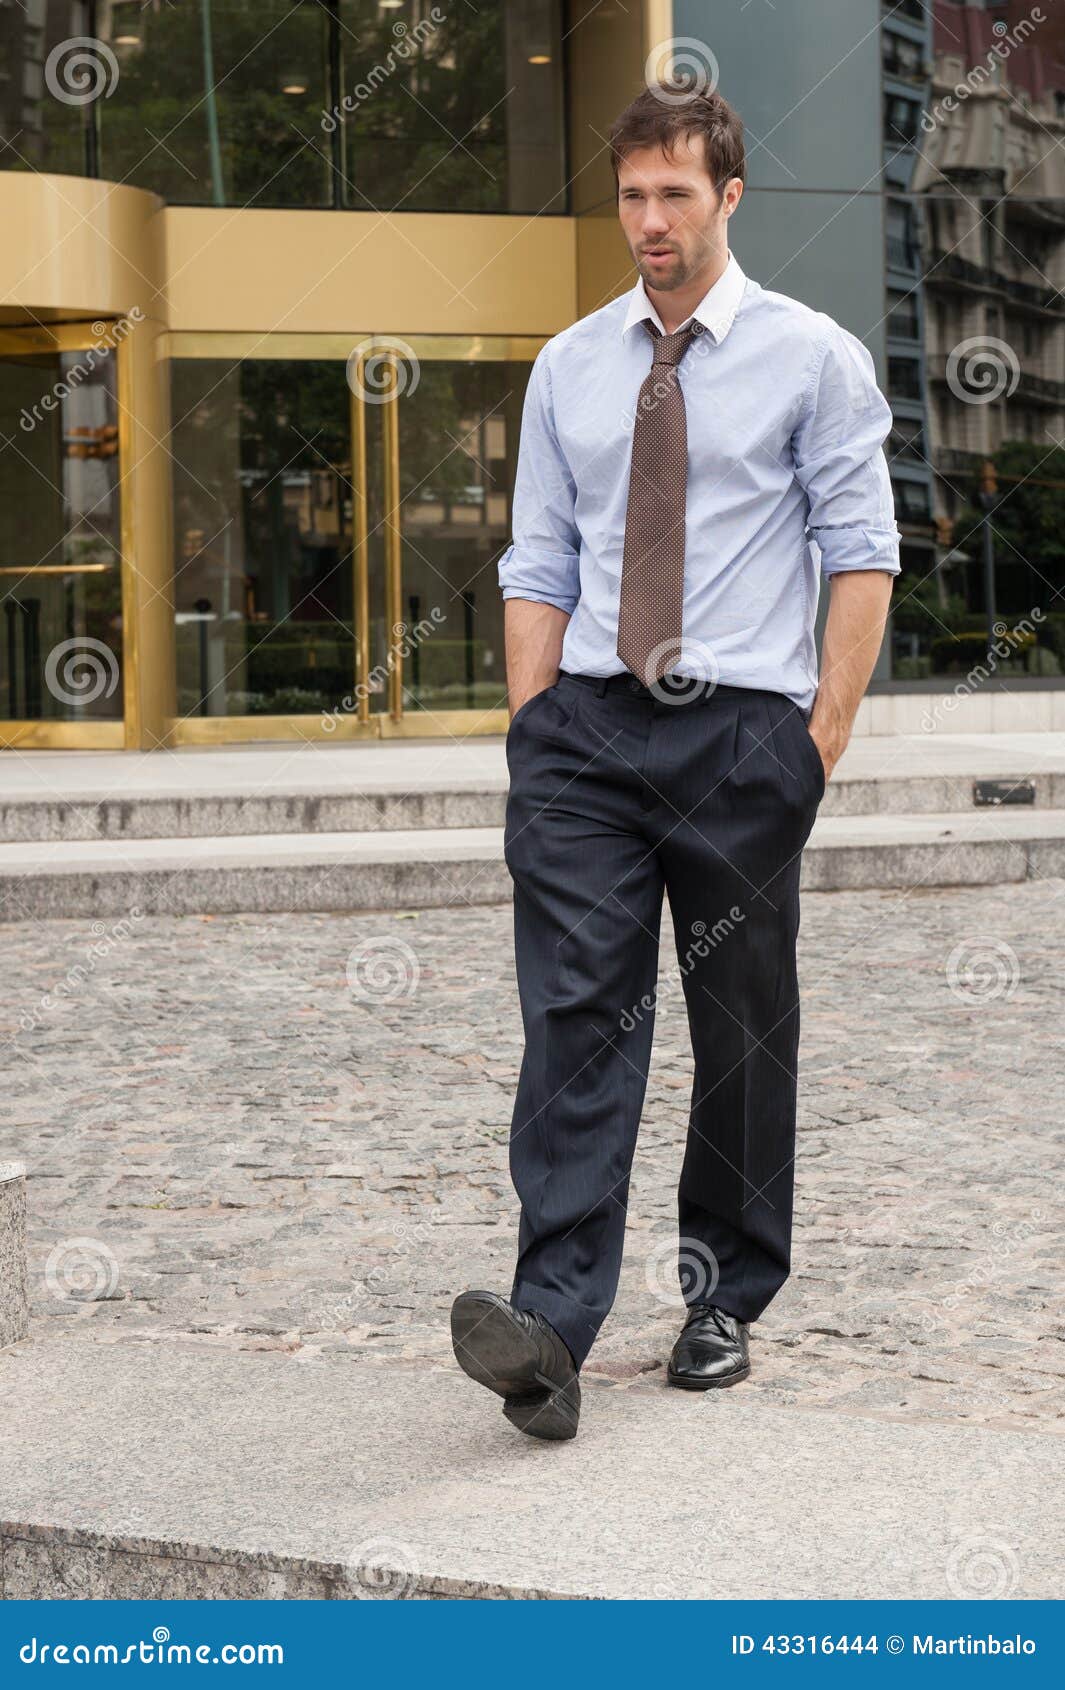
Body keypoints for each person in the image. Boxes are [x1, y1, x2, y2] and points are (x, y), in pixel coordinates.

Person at [451, 82, 899, 1440]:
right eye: (631, 194)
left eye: (674, 196)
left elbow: (860, 552)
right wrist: (533, 729)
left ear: (728, 198)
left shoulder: (813, 357)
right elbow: (537, 560)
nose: (648, 221)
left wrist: (812, 745)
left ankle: (720, 1295)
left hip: (740, 734)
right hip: (586, 731)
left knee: (739, 1024)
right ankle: (549, 1329)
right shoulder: (570, 365)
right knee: (576, 1013)